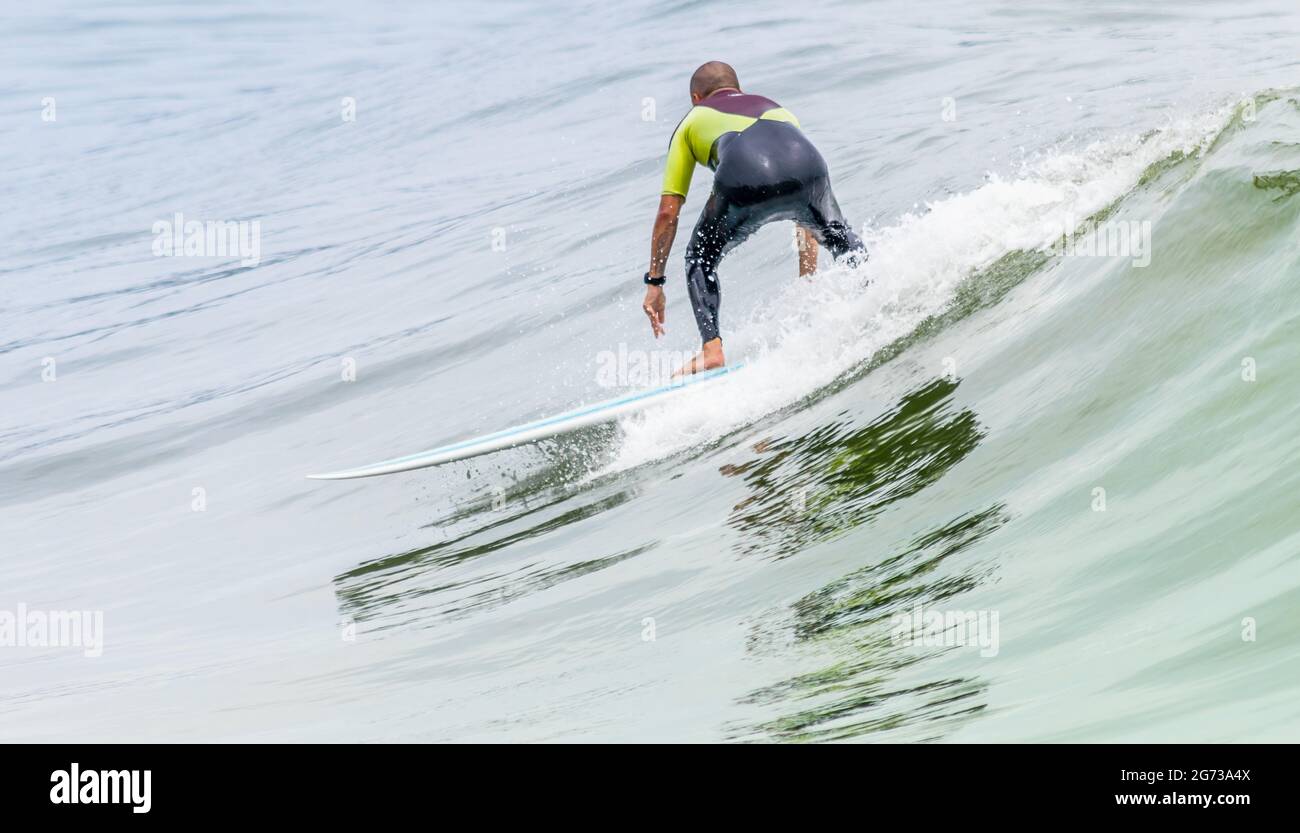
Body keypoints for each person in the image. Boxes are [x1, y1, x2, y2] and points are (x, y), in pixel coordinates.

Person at [641, 61, 866, 375]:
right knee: (841, 237)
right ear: (739, 89)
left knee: (699, 258)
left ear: (696, 97)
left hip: (744, 175)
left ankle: (712, 350)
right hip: (810, 166)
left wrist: (655, 283)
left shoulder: (692, 120)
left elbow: (668, 212)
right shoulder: (779, 110)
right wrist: (807, 284)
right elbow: (804, 216)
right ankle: (874, 289)